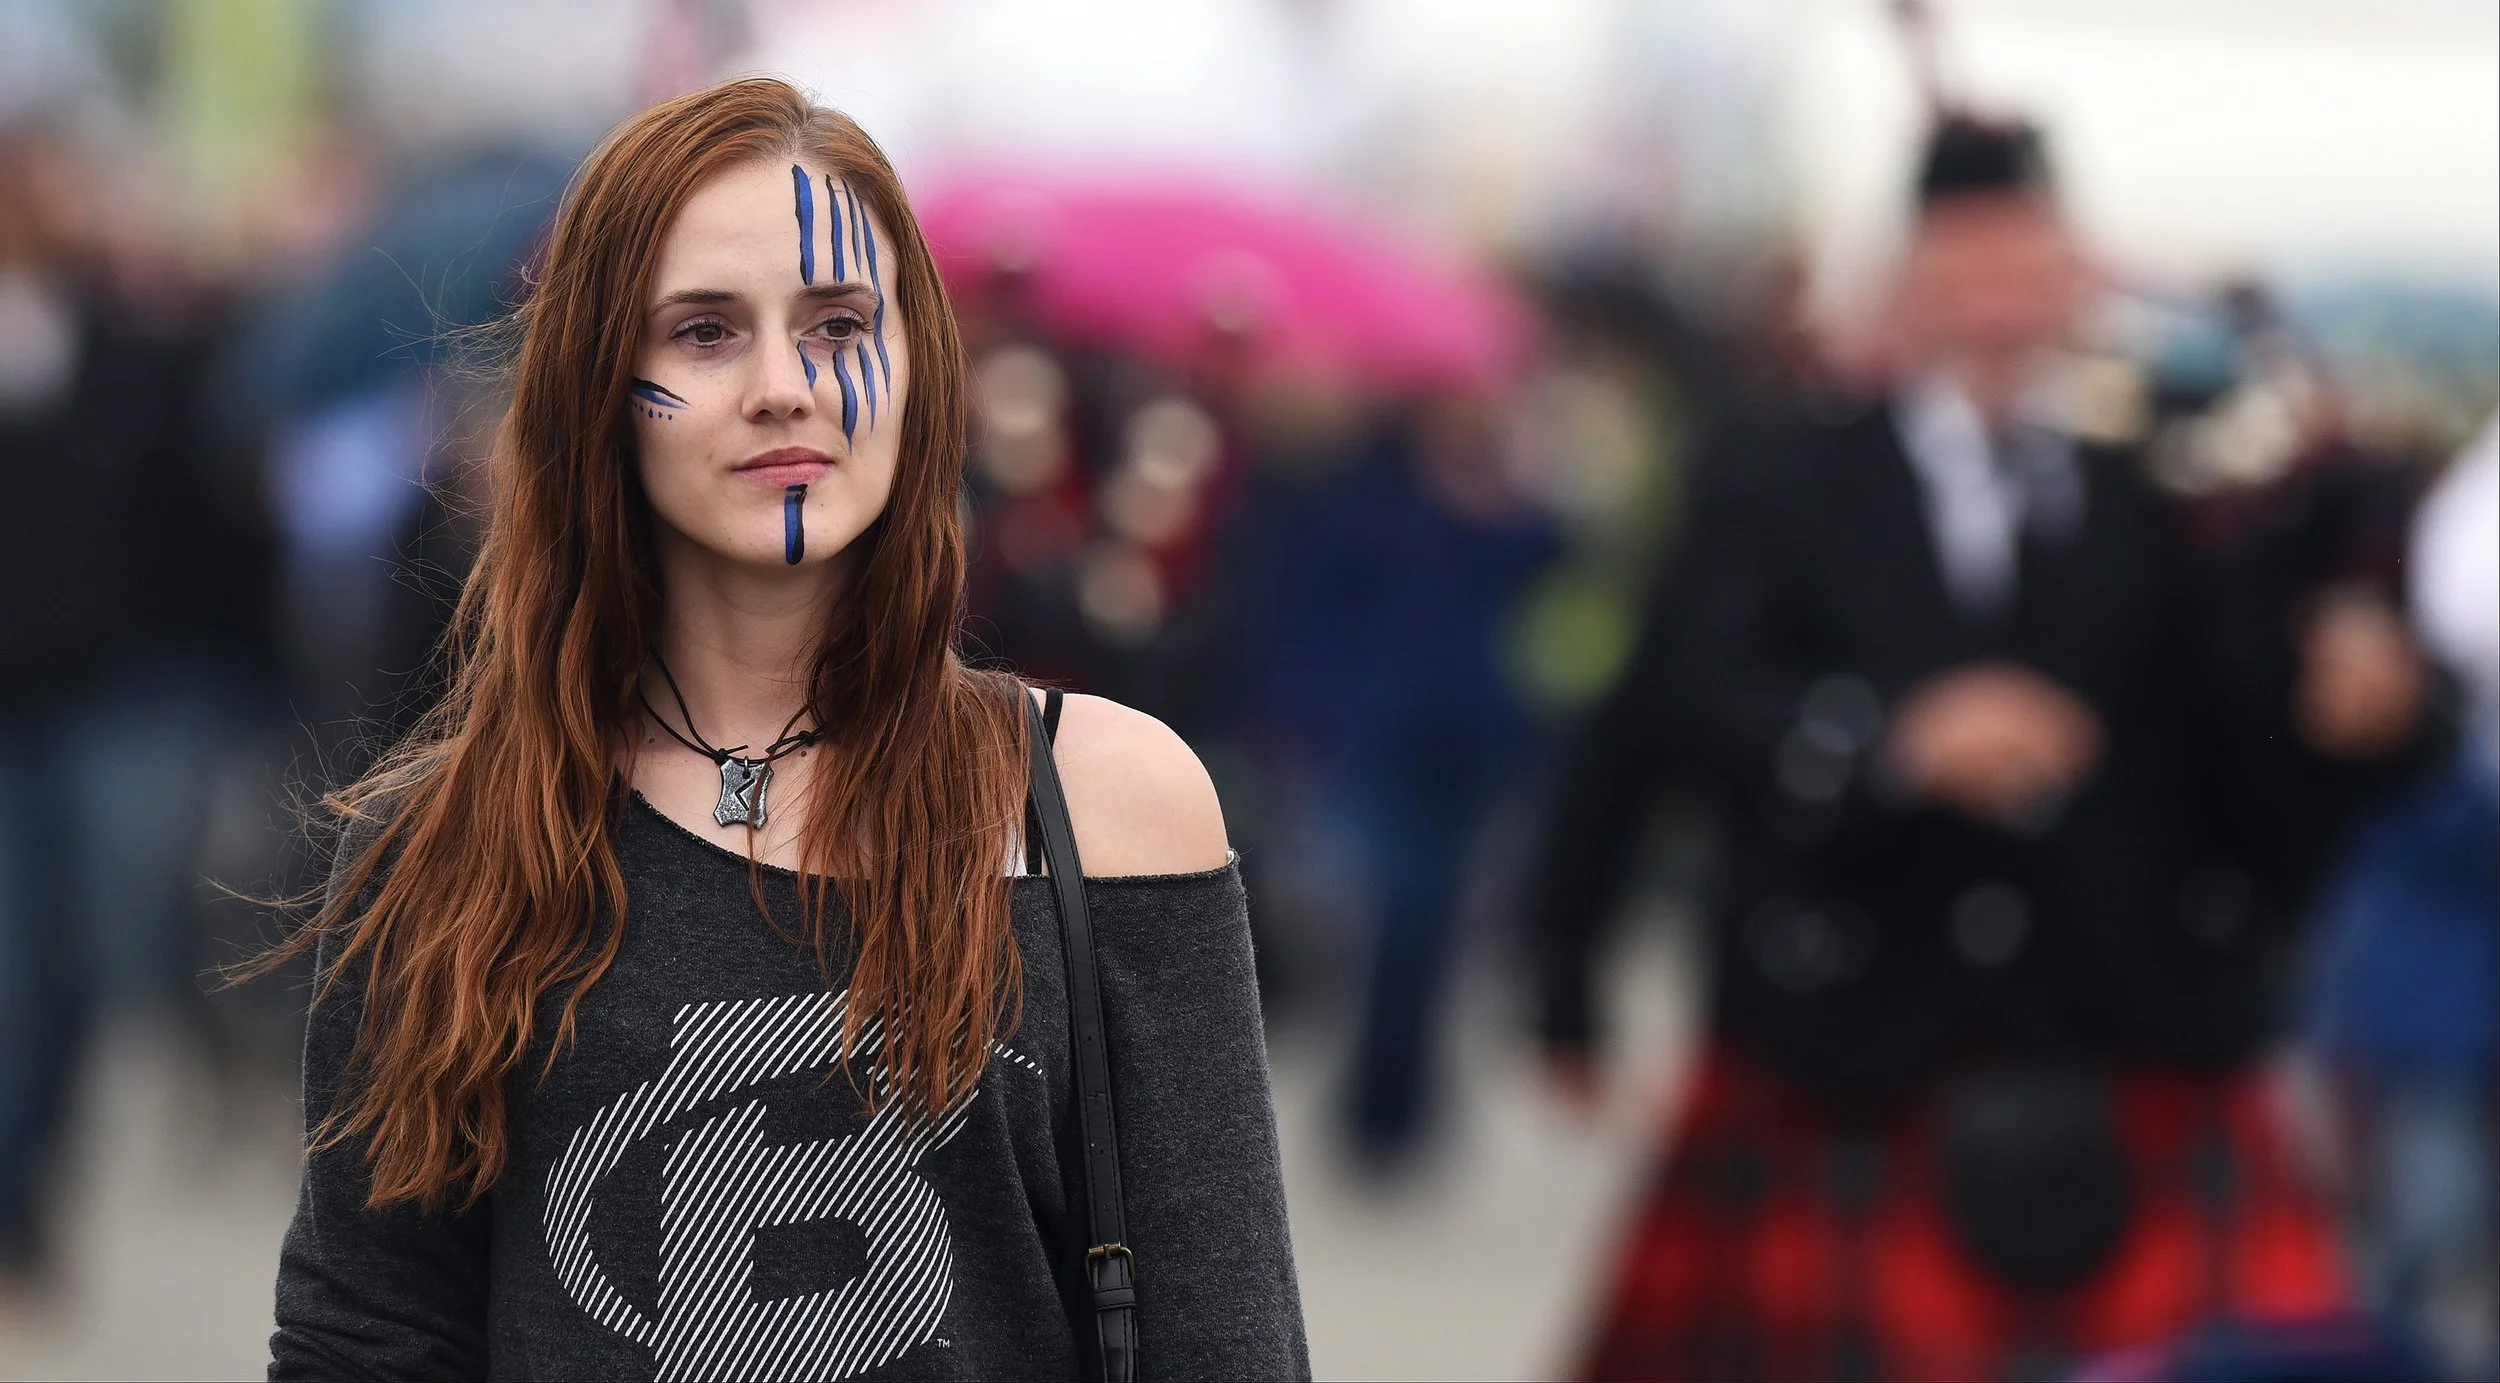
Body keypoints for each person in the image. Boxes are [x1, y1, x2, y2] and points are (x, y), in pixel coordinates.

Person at [261, 78, 1308, 1381]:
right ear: (600, 380)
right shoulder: (437, 846)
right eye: (704, 331)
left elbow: (1227, 1346)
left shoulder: (1107, 804)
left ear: (918, 365)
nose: (783, 386)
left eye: (838, 322)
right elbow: (364, 1340)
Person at [1532, 114, 2343, 1380]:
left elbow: (2250, 772)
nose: (1997, 312)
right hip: (1838, 1042)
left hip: (2124, 1031)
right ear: (1901, 290)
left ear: (2080, 285)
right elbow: (1668, 712)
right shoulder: (1777, 476)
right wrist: (1886, 743)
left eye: (2027, 273)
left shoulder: (2174, 496)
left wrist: (2356, 702)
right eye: (1963, 276)